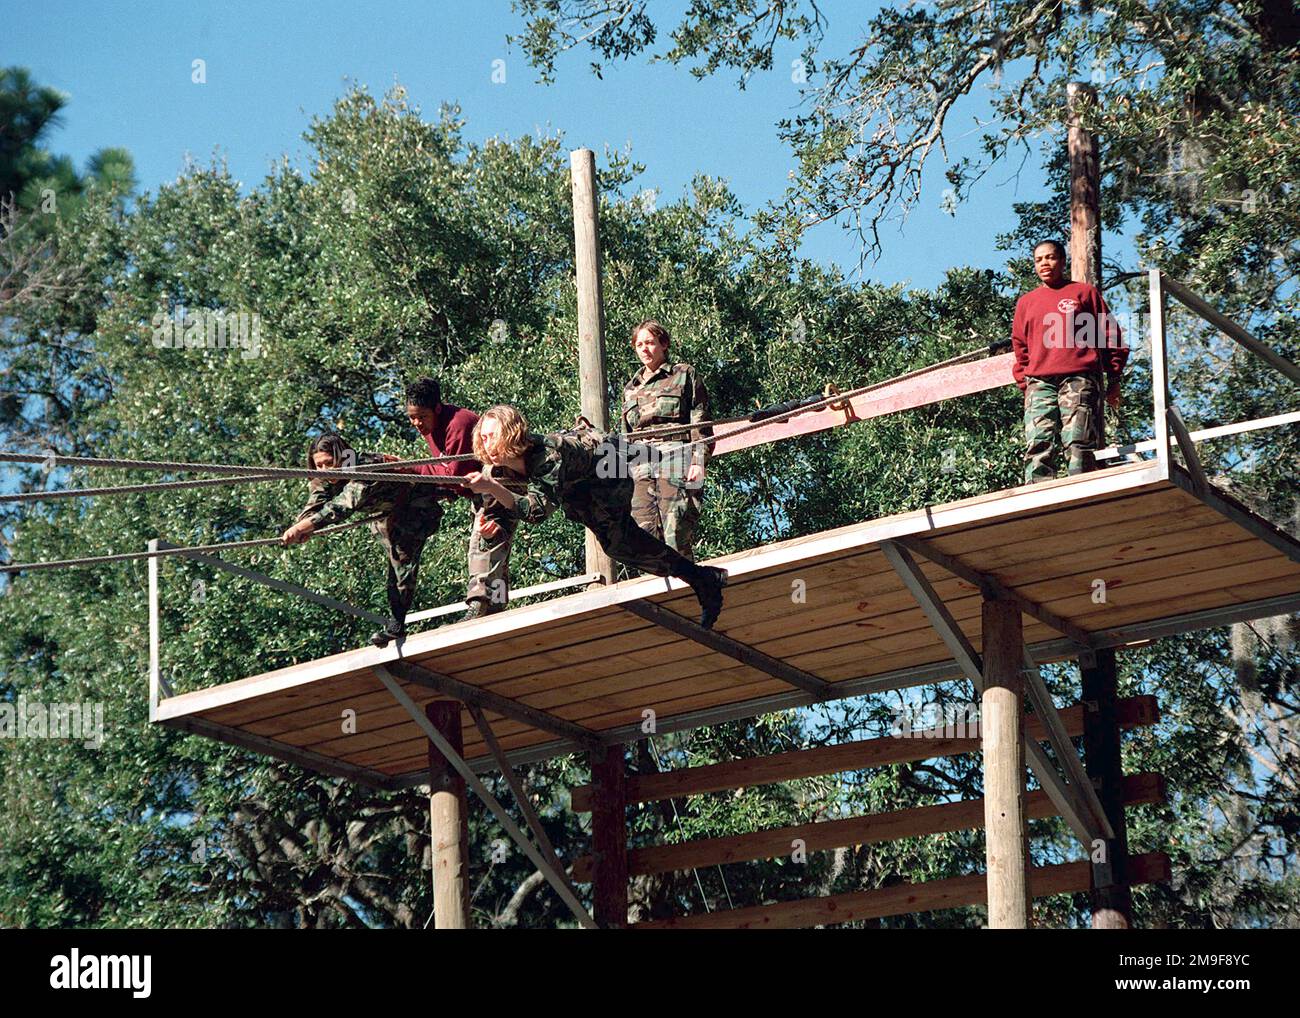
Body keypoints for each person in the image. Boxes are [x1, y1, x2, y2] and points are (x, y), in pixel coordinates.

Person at [462, 405, 728, 629]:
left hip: (607, 468)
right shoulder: (498, 467)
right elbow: (496, 502)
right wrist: (491, 523)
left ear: (510, 433)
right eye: (483, 437)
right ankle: (485, 600)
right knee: (619, 543)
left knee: (621, 543)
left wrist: (491, 487)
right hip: (581, 483)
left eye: (492, 436)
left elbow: (536, 512)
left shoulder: (546, 458)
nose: (488, 443)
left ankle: (702, 580)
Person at [281, 433, 443, 647]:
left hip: (416, 506)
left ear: (342, 456)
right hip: (385, 514)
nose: (324, 470)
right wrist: (300, 527)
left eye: (329, 463)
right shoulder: (323, 474)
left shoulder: (366, 466)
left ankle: (396, 623)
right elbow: (316, 502)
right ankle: (396, 621)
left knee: (401, 561)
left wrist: (306, 526)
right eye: (319, 465)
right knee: (395, 565)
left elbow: (344, 504)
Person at [1011, 239, 1128, 484]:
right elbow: (1020, 346)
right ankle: (1038, 494)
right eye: (1038, 259)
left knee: (1078, 439)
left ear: (1062, 261)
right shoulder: (1027, 302)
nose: (1044, 263)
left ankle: (1082, 490)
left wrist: (1114, 377)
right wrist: (1027, 384)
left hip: (1079, 377)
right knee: (1037, 441)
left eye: (1050, 257)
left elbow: (1110, 335)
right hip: (1039, 382)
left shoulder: (1083, 293)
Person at [403, 377, 514, 619]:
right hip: (479, 491)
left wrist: (418, 472)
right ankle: (496, 608)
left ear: (437, 408)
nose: (416, 423)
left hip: (497, 484)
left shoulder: (459, 423)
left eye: (421, 416)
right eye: (411, 417)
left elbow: (455, 475)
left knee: (483, 544)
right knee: (497, 547)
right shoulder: (431, 428)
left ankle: (477, 606)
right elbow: (448, 474)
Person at [620, 319, 712, 559]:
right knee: (643, 535)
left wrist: (698, 461)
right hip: (639, 465)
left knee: (676, 529)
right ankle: (655, 593)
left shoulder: (684, 374)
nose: (644, 349)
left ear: (664, 344)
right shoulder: (631, 388)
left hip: (676, 456)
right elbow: (626, 437)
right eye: (639, 344)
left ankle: (687, 588)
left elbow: (701, 423)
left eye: (650, 342)